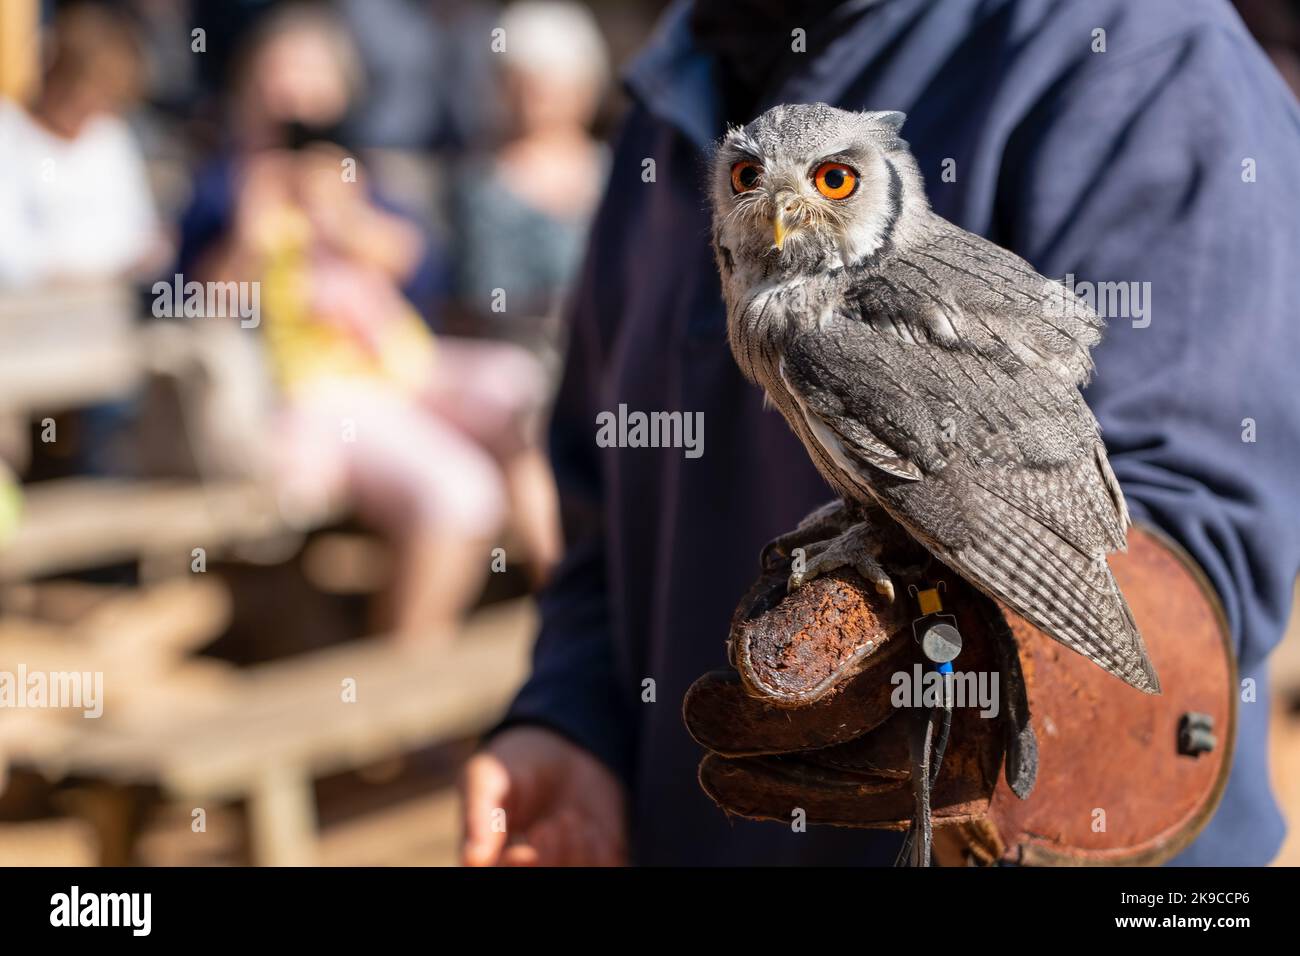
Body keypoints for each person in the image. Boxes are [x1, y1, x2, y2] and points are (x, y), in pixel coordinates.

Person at [461, 0, 1300, 865]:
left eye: (832, 182)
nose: (783, 212)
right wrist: (573, 717)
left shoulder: (1141, 50)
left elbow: (1198, 518)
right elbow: (602, 498)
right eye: (748, 185)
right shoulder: (670, 88)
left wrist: (982, 651)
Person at [0, 3, 165, 287]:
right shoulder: (8, 132)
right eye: (81, 94)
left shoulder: (109, 138)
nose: (88, 109)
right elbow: (12, 254)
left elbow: (143, 239)